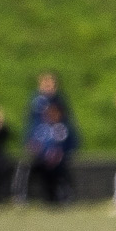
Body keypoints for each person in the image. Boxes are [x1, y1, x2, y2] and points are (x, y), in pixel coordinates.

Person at [16, 72, 76, 202]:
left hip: (57, 146)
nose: (49, 87)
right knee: (26, 165)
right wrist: (31, 142)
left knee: (60, 168)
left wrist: (63, 148)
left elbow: (68, 129)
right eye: (45, 84)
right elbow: (30, 125)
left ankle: (63, 196)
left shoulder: (60, 101)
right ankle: (20, 195)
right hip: (40, 145)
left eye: (51, 84)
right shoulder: (35, 102)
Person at [25, 101, 76, 205]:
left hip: (59, 162)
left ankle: (64, 196)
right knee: (26, 168)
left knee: (60, 174)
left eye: (55, 112)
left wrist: (61, 154)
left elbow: (71, 144)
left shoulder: (63, 128)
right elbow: (33, 143)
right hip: (42, 160)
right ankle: (22, 196)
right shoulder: (41, 128)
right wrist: (36, 150)